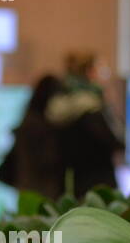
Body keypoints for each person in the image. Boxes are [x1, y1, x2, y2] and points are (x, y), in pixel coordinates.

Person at [44, 51, 120, 196]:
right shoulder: (92, 108)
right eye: (102, 69)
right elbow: (113, 141)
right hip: (96, 186)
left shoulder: (60, 104)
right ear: (90, 72)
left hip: (68, 183)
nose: (105, 75)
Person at [0, 74, 66, 198]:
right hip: (41, 189)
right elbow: (47, 160)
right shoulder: (41, 124)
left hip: (26, 186)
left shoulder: (29, 118)